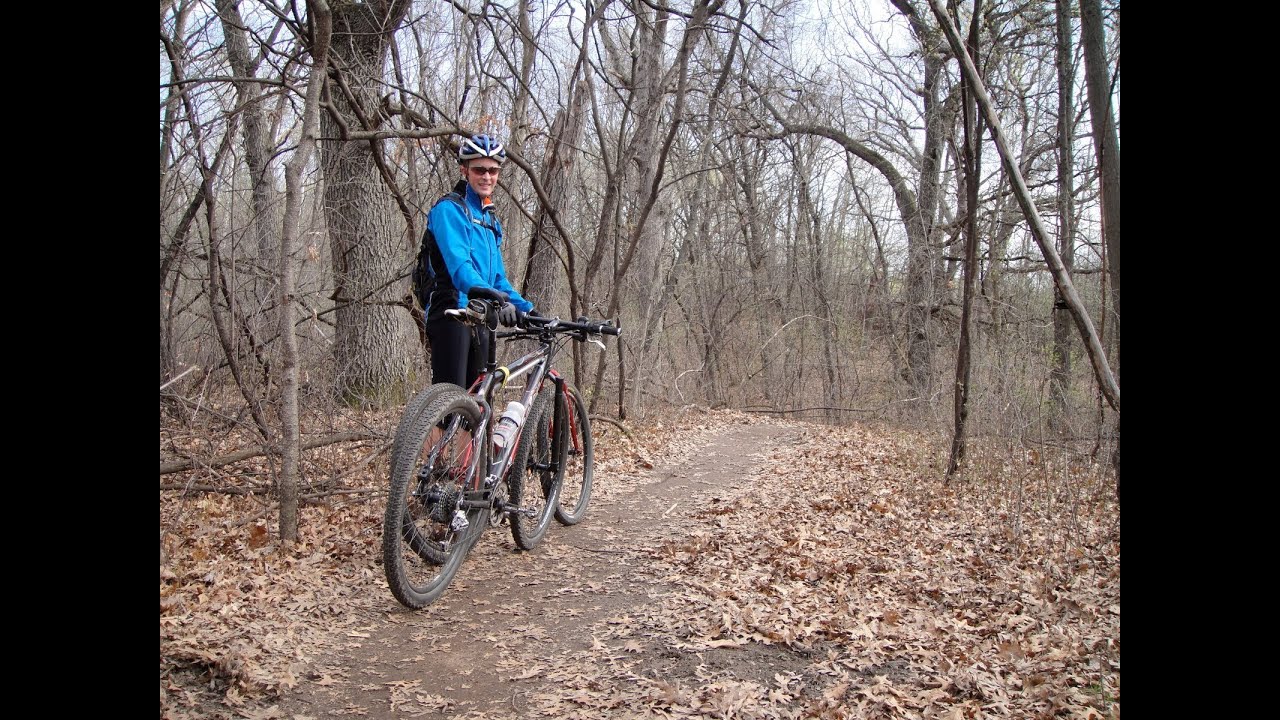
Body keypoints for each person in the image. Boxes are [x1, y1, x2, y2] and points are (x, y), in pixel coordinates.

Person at [419, 133, 536, 389]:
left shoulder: (490, 221)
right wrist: (496, 299)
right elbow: (461, 269)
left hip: (482, 316)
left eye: (493, 171)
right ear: (465, 170)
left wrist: (527, 309)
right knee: (448, 407)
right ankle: (438, 430)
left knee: (479, 405)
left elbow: (497, 279)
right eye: (479, 169)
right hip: (453, 311)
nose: (487, 177)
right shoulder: (449, 210)